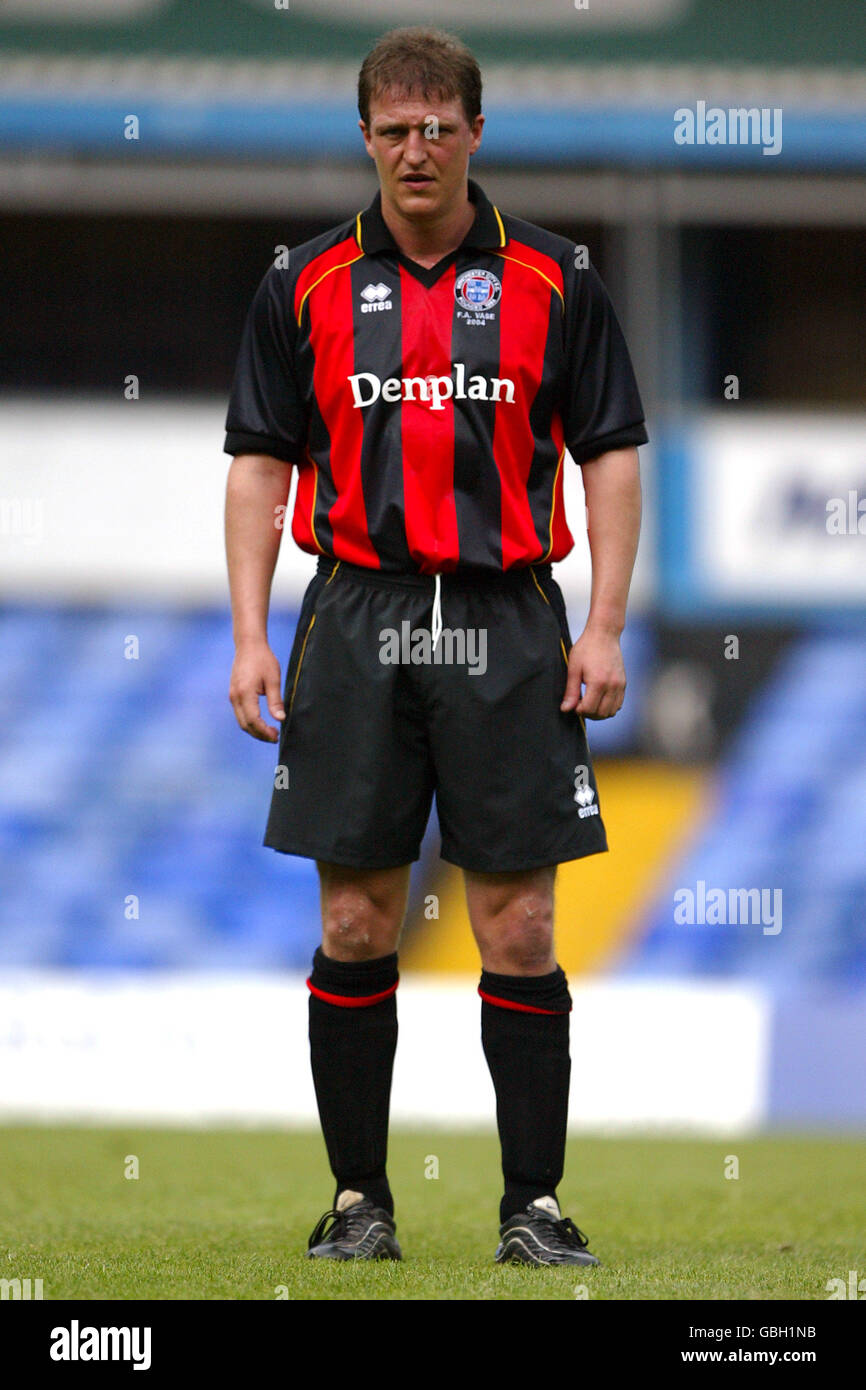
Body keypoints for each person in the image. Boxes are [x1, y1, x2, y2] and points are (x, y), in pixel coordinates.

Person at [223, 26, 646, 1267]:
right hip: (355, 614)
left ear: (474, 131)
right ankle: (360, 1202)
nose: (417, 148)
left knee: (516, 923)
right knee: (355, 917)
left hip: (506, 619)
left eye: (438, 125)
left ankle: (534, 1205)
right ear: (365, 136)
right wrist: (250, 632)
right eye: (394, 127)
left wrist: (605, 620)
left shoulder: (558, 277)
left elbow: (608, 450)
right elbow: (259, 462)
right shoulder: (298, 281)